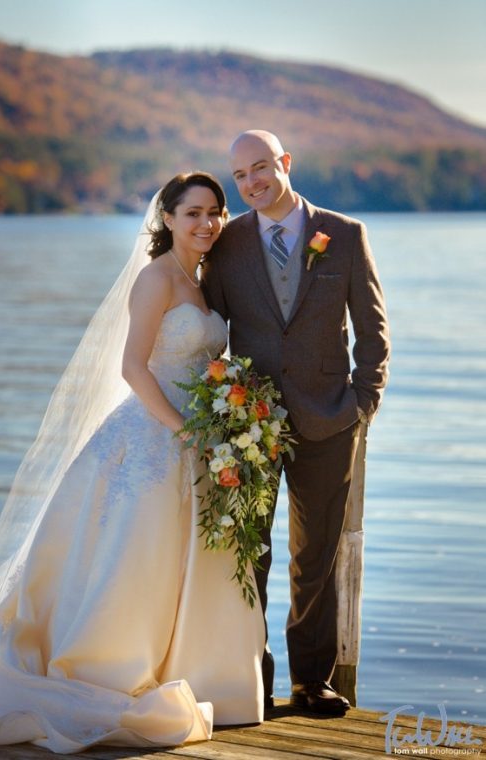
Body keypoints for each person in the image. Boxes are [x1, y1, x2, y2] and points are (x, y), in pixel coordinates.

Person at [0, 172, 265, 754]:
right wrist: (185, 430)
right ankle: (116, 662)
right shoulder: (155, 279)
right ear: (167, 219)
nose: (207, 222)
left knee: (200, 555)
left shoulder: (205, 278)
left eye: (215, 211)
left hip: (206, 437)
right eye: (193, 213)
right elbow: (134, 368)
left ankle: (210, 678)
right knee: (140, 555)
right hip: (156, 434)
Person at [201, 130, 390, 715]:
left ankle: (313, 680)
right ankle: (251, 674)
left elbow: (374, 332)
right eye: (240, 175)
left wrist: (362, 403)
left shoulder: (346, 235)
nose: (252, 182)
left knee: (317, 556)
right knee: (248, 552)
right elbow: (208, 332)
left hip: (329, 420)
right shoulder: (226, 245)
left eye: (261, 167)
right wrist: (222, 404)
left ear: (284, 163)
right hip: (248, 421)